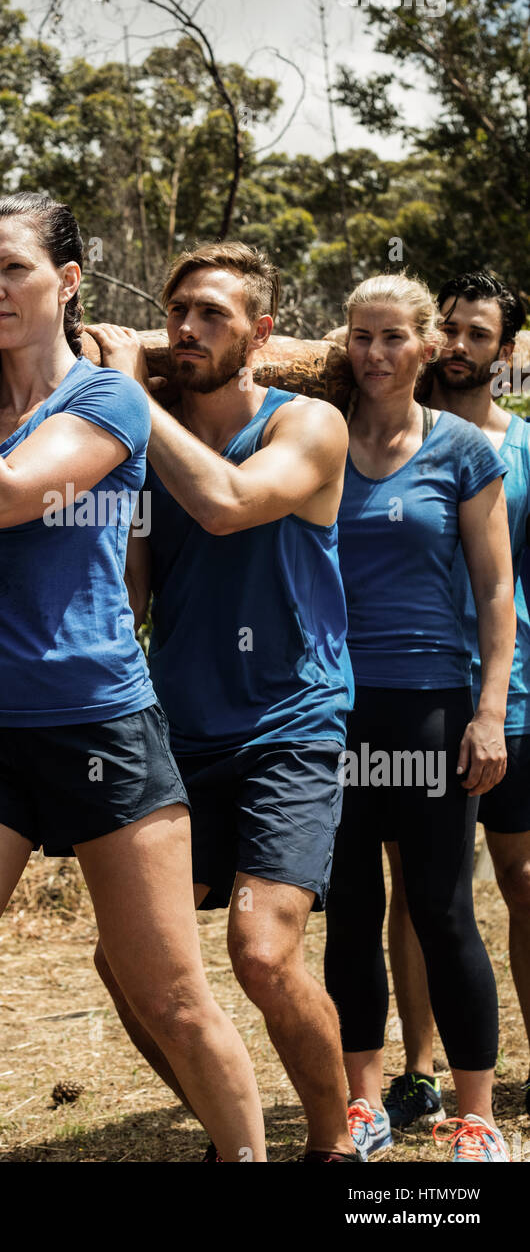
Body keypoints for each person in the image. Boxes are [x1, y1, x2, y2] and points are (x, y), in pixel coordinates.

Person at [0, 193, 266, 1163]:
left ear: (68, 280)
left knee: (169, 999)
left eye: (12, 267)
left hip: (98, 728)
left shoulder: (107, 401)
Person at [87, 240, 360, 1163]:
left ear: (262, 332)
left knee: (262, 954)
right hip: (180, 729)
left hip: (293, 725)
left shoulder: (309, 426)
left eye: (213, 314)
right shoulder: (148, 427)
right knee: (124, 964)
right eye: (179, 313)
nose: (189, 329)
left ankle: (332, 1146)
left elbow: (229, 504)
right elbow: (133, 582)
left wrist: (132, 393)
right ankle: (229, 1131)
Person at [324, 272, 515, 1162]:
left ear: (427, 346)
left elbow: (495, 589)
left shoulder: (464, 452)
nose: (374, 355)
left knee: (439, 908)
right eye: (361, 337)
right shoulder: (314, 437)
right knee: (353, 908)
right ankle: (364, 1104)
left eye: (393, 337)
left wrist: (487, 711)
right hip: (329, 707)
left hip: (433, 707)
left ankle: (478, 1114)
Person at [382, 272, 530, 1130]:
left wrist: (503, 687)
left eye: (484, 335)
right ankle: (418, 1069)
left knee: (521, 877)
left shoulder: (521, 450)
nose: (464, 347)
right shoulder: (382, 426)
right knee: (419, 886)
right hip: (414, 695)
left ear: (505, 352)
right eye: (453, 330)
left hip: (510, 695)